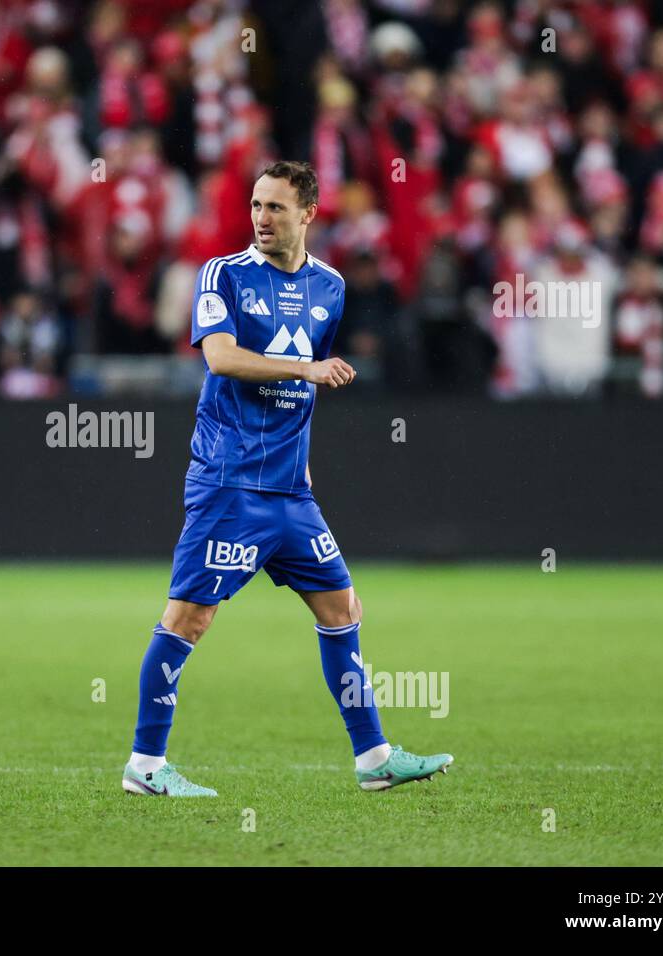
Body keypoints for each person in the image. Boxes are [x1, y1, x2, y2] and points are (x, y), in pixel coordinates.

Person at [122, 161, 454, 797]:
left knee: (343, 608)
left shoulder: (330, 286)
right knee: (187, 619)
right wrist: (305, 369)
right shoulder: (222, 274)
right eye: (255, 206)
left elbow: (304, 391)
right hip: (230, 483)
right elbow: (219, 358)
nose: (261, 219)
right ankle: (145, 765)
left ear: (308, 214)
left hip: (291, 494)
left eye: (275, 207)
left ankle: (374, 757)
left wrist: (301, 445)